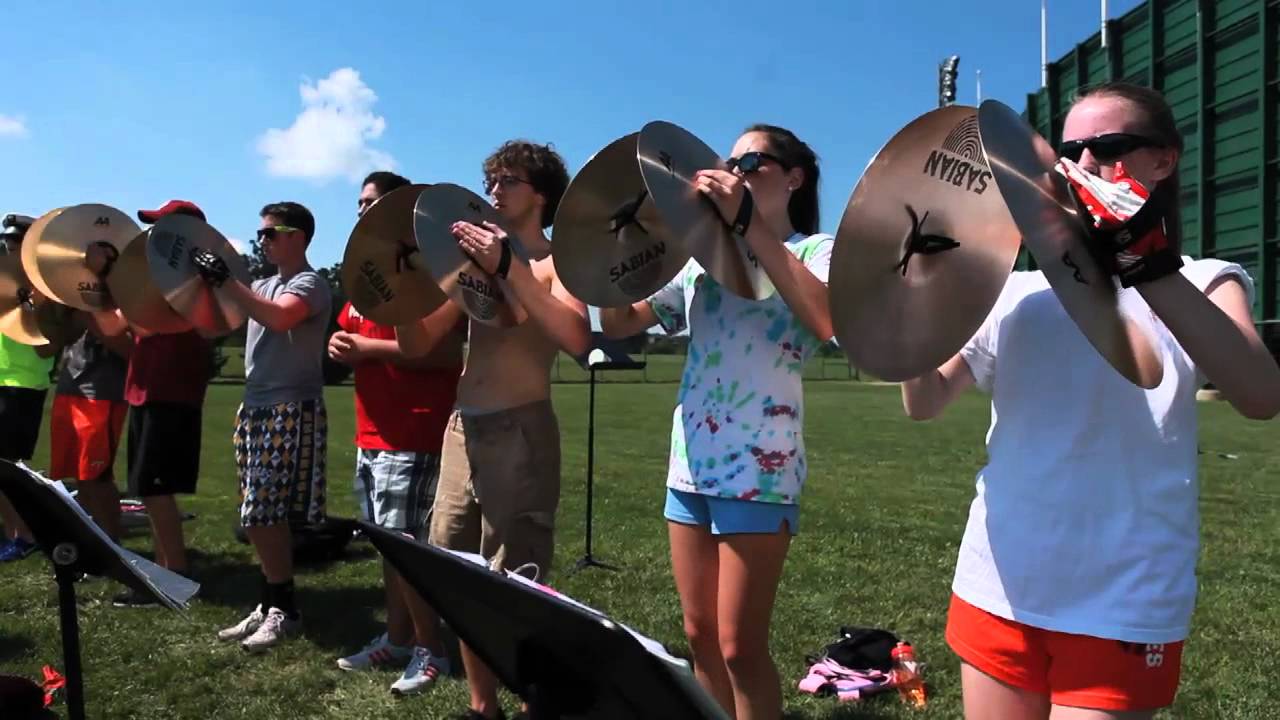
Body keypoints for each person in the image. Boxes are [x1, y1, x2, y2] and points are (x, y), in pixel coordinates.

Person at [901, 82, 1280, 719]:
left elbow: (1260, 394)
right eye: (1071, 151)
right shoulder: (1016, 291)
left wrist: (1144, 261)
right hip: (998, 583)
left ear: (1164, 160)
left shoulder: (1202, 278)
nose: (1084, 165)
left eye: (1108, 147)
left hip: (1124, 597)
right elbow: (926, 401)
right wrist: (906, 310)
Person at [601, 125, 833, 720]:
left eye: (749, 161)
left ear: (793, 177)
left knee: (739, 647)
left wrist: (748, 220)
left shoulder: (817, 251)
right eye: (728, 161)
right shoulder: (698, 263)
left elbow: (827, 319)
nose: (732, 170)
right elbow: (623, 321)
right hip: (691, 463)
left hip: (762, 469)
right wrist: (611, 252)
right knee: (700, 633)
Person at [397, 140, 591, 720]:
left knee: (517, 585)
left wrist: (511, 269)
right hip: (463, 427)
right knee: (453, 574)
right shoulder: (469, 261)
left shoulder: (561, 263)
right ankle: (484, 707)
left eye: (508, 182)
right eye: (491, 182)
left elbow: (578, 339)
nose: (494, 193)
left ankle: (535, 704)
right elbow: (416, 342)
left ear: (541, 195)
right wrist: (408, 281)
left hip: (521, 431)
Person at [331, 170, 464, 695]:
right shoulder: (367, 275)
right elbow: (354, 330)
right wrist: (344, 347)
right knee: (389, 546)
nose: (362, 211)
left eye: (372, 204)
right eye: (359, 203)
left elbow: (449, 352)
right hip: (371, 428)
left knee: (410, 549)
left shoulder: (433, 274)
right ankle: (400, 637)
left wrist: (366, 351)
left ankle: (432, 651)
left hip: (414, 428)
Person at [202, 201, 332, 652]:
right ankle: (269, 602)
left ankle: (284, 609)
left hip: (289, 406)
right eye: (260, 233)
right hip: (255, 407)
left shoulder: (309, 283)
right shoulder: (259, 284)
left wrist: (227, 281)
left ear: (297, 236)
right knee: (258, 515)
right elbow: (225, 317)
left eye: (270, 233)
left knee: (263, 513)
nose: (262, 240)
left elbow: (280, 316)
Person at [99, 200, 214, 607]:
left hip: (171, 392)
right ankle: (167, 569)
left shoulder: (196, 279)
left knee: (155, 487)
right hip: (145, 390)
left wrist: (121, 287)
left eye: (161, 227)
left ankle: (174, 576)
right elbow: (113, 325)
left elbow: (166, 324)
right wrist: (99, 285)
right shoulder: (154, 280)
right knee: (148, 488)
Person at [0, 213, 58, 561]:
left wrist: (29, 305)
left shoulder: (47, 288)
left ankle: (25, 534)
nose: (8, 247)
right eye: (6, 242)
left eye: (16, 242)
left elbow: (47, 346)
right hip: (3, 379)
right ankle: (19, 533)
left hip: (25, 383)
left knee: (8, 467)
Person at [48, 322, 130, 541]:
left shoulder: (120, 297)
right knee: (79, 473)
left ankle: (112, 544)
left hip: (102, 389)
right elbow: (49, 342)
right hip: (69, 385)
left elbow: (131, 349)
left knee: (95, 474)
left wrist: (92, 316)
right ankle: (91, 540)